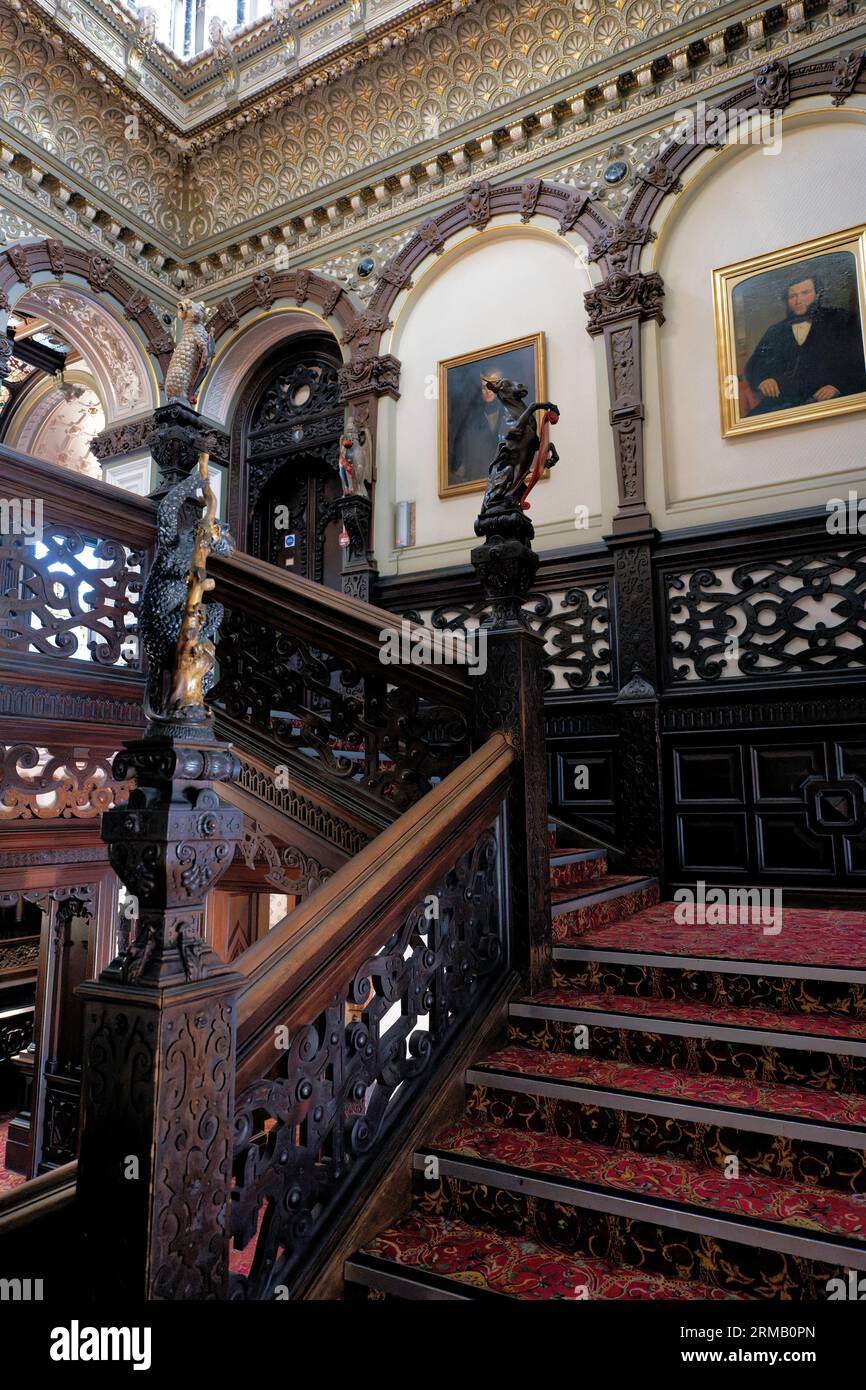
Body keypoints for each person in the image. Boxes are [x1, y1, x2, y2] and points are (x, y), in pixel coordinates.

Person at [742, 272, 866, 416]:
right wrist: (763, 379)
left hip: (831, 399)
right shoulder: (776, 330)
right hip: (783, 403)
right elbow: (755, 363)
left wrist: (839, 386)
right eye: (792, 296)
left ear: (817, 294)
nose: (798, 300)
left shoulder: (841, 319)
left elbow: (859, 359)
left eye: (805, 293)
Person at [448, 369, 510, 483]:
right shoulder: (471, 417)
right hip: (478, 478)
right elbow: (463, 453)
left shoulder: (509, 413)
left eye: (492, 386)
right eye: (484, 387)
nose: (488, 391)